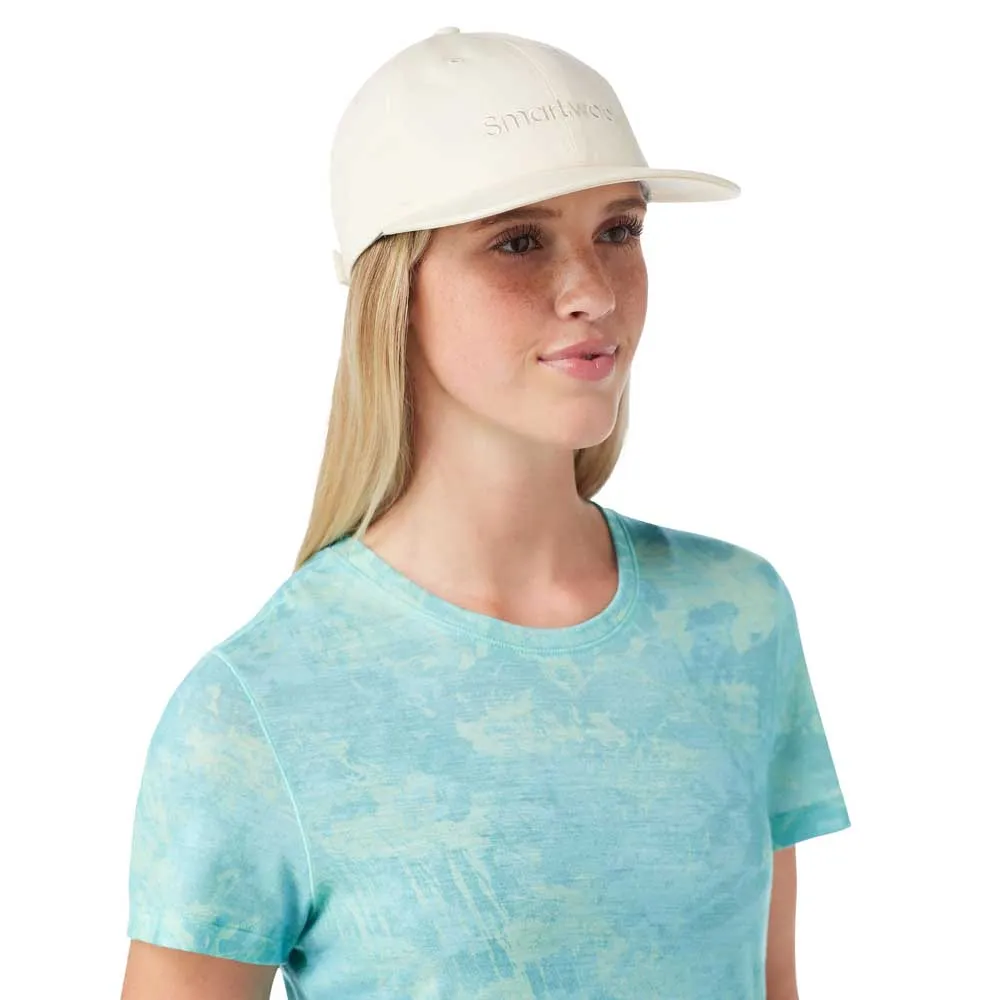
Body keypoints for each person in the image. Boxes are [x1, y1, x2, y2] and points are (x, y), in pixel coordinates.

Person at [121, 27, 851, 1000]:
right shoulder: (254, 708)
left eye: (618, 230)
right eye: (518, 241)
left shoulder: (735, 615)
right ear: (396, 289)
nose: (593, 291)